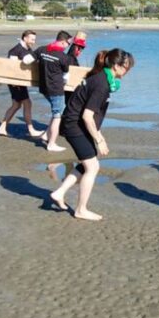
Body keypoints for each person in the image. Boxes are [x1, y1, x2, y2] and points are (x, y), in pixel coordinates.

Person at [49, 48, 135, 221]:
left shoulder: (101, 78)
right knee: (93, 167)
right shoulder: (101, 84)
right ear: (117, 66)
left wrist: (99, 136)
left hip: (76, 123)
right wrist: (99, 140)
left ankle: (59, 193)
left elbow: (90, 114)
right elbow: (87, 116)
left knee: (88, 162)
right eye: (127, 67)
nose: (128, 71)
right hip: (74, 125)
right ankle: (81, 209)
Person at [0, 29, 46, 139]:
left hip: (21, 82)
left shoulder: (28, 49)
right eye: (32, 39)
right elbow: (11, 68)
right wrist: (14, 83)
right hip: (15, 82)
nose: (33, 41)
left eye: (34, 39)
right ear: (25, 38)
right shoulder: (15, 50)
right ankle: (31, 130)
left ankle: (2, 128)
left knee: (16, 105)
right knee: (27, 103)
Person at [36, 30, 73, 151]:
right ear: (62, 42)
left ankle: (46, 134)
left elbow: (27, 59)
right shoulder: (63, 57)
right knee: (57, 116)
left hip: (44, 87)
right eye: (68, 43)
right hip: (56, 90)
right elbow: (66, 76)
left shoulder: (42, 49)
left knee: (55, 112)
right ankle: (51, 144)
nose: (68, 45)